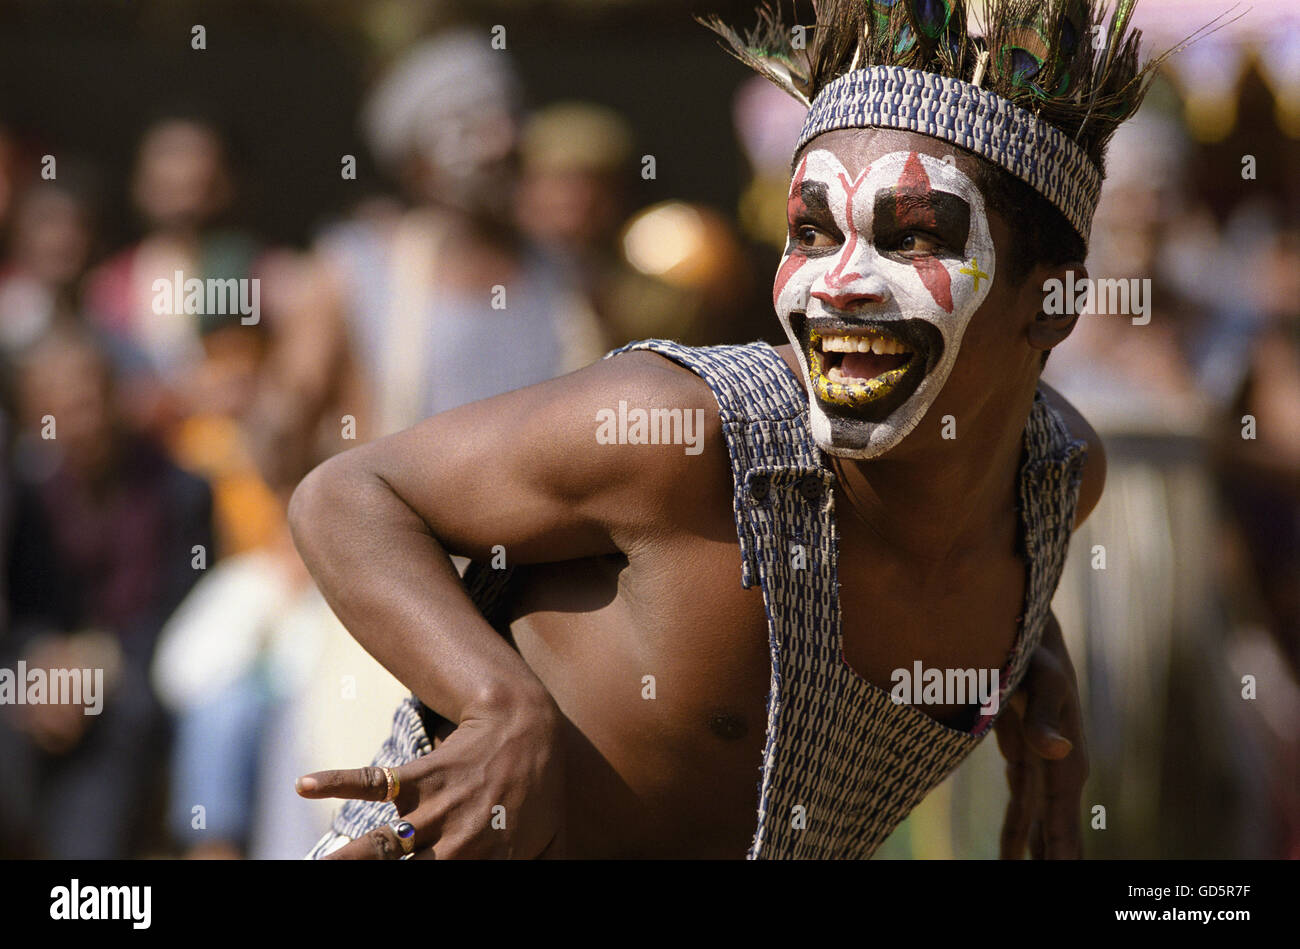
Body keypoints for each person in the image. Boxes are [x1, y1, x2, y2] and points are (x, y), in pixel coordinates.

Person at [288, 0, 1175, 859]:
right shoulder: (684, 438)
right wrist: (497, 704)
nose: (838, 285)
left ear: (1053, 302)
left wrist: (1023, 657)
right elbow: (348, 492)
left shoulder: (1054, 483)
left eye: (911, 239)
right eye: (813, 232)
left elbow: (959, 522)